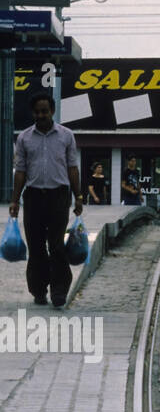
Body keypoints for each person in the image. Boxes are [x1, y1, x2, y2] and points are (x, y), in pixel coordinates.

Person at [9, 91, 83, 309]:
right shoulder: (24, 138)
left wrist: (78, 197)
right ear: (33, 113)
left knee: (57, 245)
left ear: (52, 111)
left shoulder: (66, 135)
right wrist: (14, 201)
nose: (41, 115)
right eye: (37, 112)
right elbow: (20, 171)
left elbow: (72, 168)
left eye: (45, 111)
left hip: (58, 196)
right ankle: (39, 290)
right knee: (36, 246)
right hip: (33, 198)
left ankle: (59, 290)